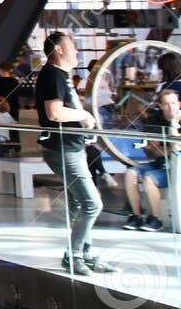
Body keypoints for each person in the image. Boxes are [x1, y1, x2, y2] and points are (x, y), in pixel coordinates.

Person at [36, 31, 111, 274]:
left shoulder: (61, 76)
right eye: (73, 46)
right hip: (63, 149)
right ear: (58, 49)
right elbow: (54, 113)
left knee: (81, 203)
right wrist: (85, 116)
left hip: (73, 147)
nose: (77, 51)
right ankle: (74, 254)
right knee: (92, 204)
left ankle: (85, 254)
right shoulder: (52, 75)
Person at [123, 88, 181, 231]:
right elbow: (152, 151)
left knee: (150, 178)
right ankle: (136, 216)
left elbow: (176, 150)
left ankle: (155, 219)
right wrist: (165, 149)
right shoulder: (155, 119)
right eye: (166, 104)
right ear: (160, 106)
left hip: (177, 167)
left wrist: (173, 124)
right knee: (130, 173)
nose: (170, 107)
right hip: (161, 163)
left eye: (173, 103)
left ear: (179, 104)